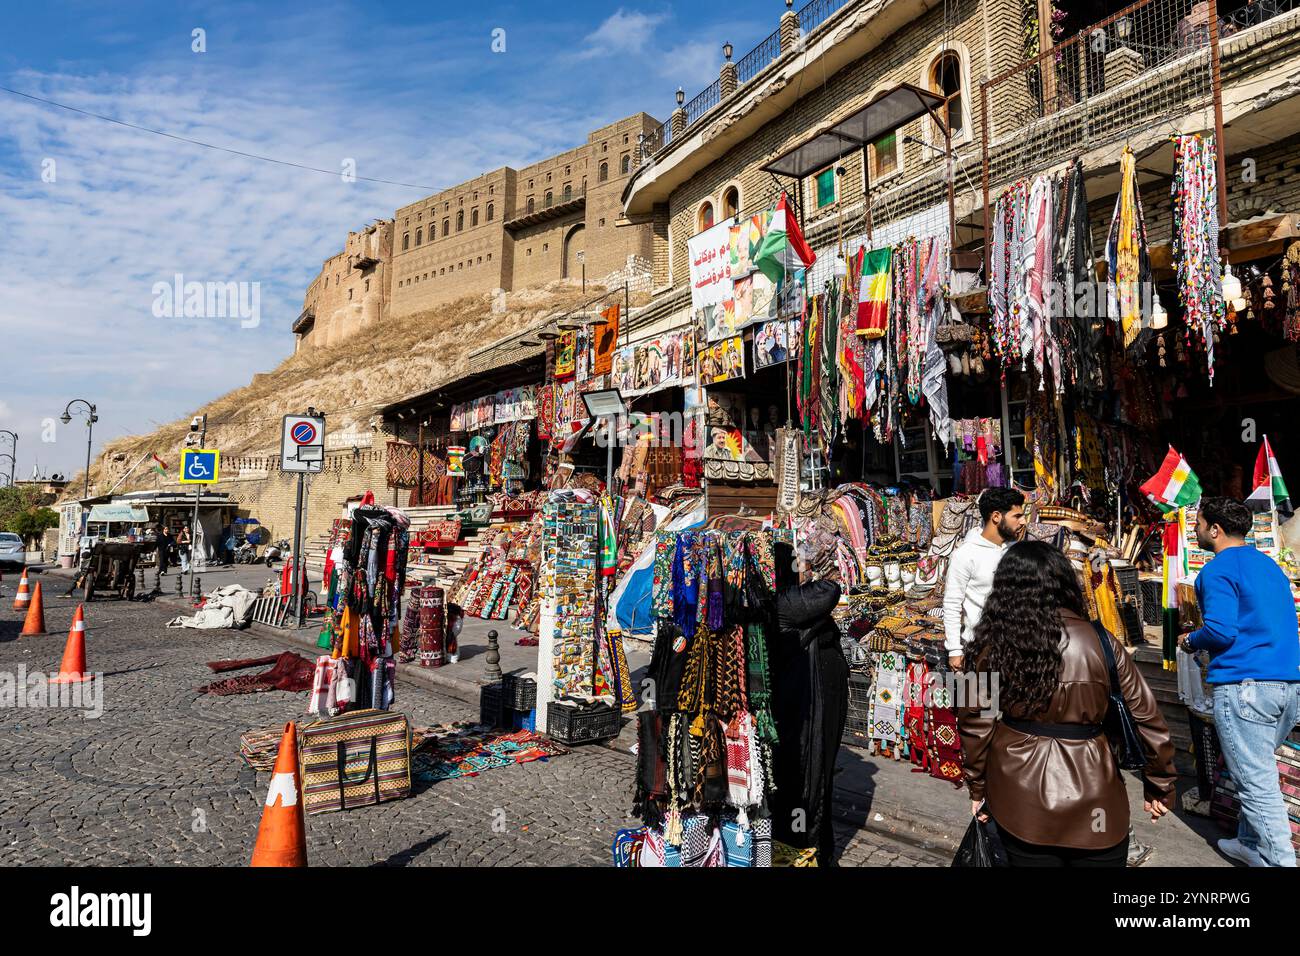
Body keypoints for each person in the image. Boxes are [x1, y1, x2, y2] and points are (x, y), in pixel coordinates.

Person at [959, 541, 1176, 866]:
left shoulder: (992, 644)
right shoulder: (1102, 640)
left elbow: (975, 724)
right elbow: (1147, 718)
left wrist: (977, 787)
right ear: (1064, 582)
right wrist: (1160, 784)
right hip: (1096, 801)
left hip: (1019, 800)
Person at [1180, 496, 1300, 867]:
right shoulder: (1269, 566)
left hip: (1246, 687)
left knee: (1256, 783)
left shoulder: (1217, 570)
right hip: (1287, 685)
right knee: (1258, 771)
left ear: (1215, 530)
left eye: (1199, 525)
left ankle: (1281, 862)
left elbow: (1220, 630)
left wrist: (1190, 640)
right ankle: (1250, 844)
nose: (1197, 531)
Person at [768, 539, 849, 866]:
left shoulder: (787, 599)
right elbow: (829, 590)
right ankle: (804, 853)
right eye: (798, 562)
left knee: (817, 778)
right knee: (808, 780)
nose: (805, 567)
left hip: (815, 700)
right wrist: (803, 572)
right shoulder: (784, 601)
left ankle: (817, 849)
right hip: (805, 705)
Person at [943, 487, 1025, 668]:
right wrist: (954, 650)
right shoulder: (964, 554)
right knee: (982, 688)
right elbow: (952, 604)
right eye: (1017, 516)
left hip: (1014, 645)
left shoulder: (1016, 550)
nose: (1023, 521)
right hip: (979, 647)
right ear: (996, 517)